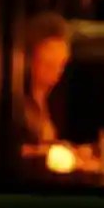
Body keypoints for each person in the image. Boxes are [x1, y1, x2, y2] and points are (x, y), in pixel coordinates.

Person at [20, 12, 71, 148]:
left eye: (61, 64)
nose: (57, 71)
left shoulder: (54, 99)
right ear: (29, 61)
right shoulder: (17, 104)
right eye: (49, 64)